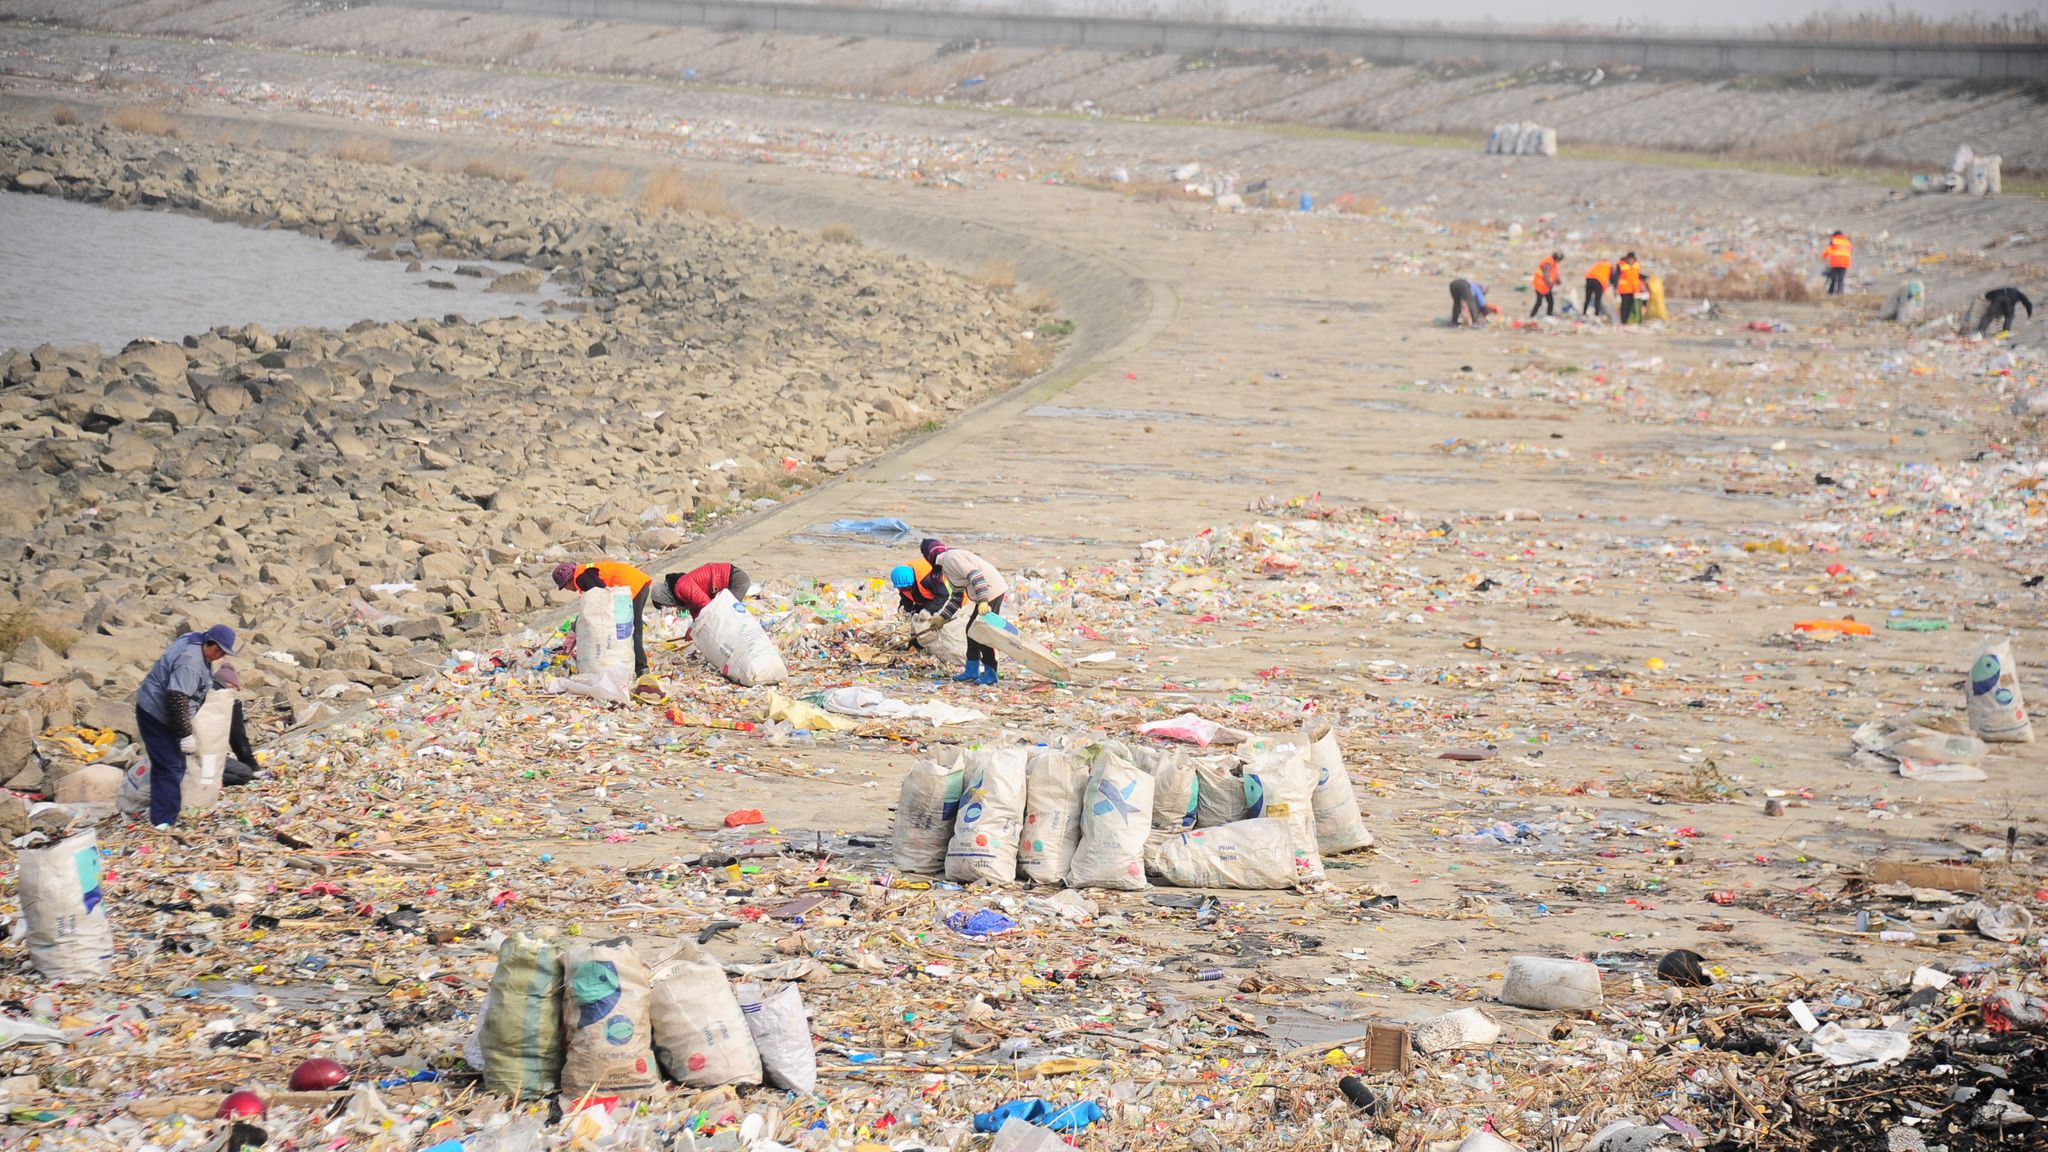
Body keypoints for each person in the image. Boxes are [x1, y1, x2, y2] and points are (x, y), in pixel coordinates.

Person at [134, 624, 235, 828]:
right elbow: (177, 698)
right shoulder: (191, 662)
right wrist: (185, 734)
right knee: (169, 766)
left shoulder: (192, 639)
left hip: (156, 708)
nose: (219, 657)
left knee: (175, 764)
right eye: (219, 651)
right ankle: (163, 821)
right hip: (156, 714)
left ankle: (166, 813)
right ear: (211, 645)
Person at [916, 538, 1010, 684]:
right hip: (984, 593)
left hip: (991, 590)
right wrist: (942, 617)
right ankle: (971, 670)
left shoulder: (952, 558)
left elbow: (976, 576)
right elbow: (956, 598)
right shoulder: (945, 567)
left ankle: (991, 673)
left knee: (982, 632)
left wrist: (984, 600)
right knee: (971, 629)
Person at [552, 560, 654, 677]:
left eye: (564, 587)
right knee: (624, 630)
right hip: (634, 585)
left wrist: (576, 629)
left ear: (567, 581)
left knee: (630, 630)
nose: (567, 590)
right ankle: (625, 665)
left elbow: (602, 595)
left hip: (630, 588)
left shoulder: (582, 577)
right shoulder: (584, 572)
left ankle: (641, 669)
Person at [652, 562, 753, 637]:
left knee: (725, 615)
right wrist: (691, 631)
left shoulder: (682, 587)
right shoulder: (682, 595)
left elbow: (708, 607)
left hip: (735, 580)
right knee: (723, 617)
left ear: (665, 598)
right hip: (732, 580)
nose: (671, 607)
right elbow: (697, 614)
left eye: (667, 605)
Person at [211, 660, 261, 786]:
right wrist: (252, 767)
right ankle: (208, 780)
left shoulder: (203, 689)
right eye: (235, 688)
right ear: (230, 685)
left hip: (181, 751)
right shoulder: (228, 699)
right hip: (206, 755)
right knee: (244, 773)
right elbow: (237, 737)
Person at [891, 558, 952, 650]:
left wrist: (928, 610)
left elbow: (943, 594)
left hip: (946, 597)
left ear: (912, 582)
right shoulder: (902, 580)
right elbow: (906, 599)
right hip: (924, 597)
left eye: (907, 588)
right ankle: (914, 647)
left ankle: (935, 646)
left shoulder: (928, 578)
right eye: (902, 589)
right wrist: (903, 613)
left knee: (935, 623)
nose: (904, 590)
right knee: (916, 619)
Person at [1530, 251, 1563, 319]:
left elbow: (1555, 273)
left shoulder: (1554, 263)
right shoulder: (1548, 263)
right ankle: (1532, 316)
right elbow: (1546, 275)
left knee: (1550, 301)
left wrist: (1558, 281)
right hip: (1540, 285)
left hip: (1545, 286)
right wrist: (1550, 283)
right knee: (1539, 302)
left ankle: (1549, 315)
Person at [1614, 253, 1644, 325]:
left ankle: (1626, 321)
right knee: (1624, 305)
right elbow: (1616, 276)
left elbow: (1638, 276)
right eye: (1629, 259)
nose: (1631, 260)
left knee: (1630, 306)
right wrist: (1615, 288)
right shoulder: (1621, 265)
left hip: (1633, 290)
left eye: (1632, 259)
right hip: (1623, 289)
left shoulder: (1636, 265)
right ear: (1627, 258)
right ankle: (1623, 321)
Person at [1822, 231, 1852, 296]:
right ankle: (1840, 294)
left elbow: (1828, 251)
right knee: (1841, 279)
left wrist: (1824, 256)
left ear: (1835, 235)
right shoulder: (1847, 242)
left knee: (1833, 279)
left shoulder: (1833, 241)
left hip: (1835, 263)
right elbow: (1850, 251)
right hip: (1844, 263)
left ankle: (1830, 292)